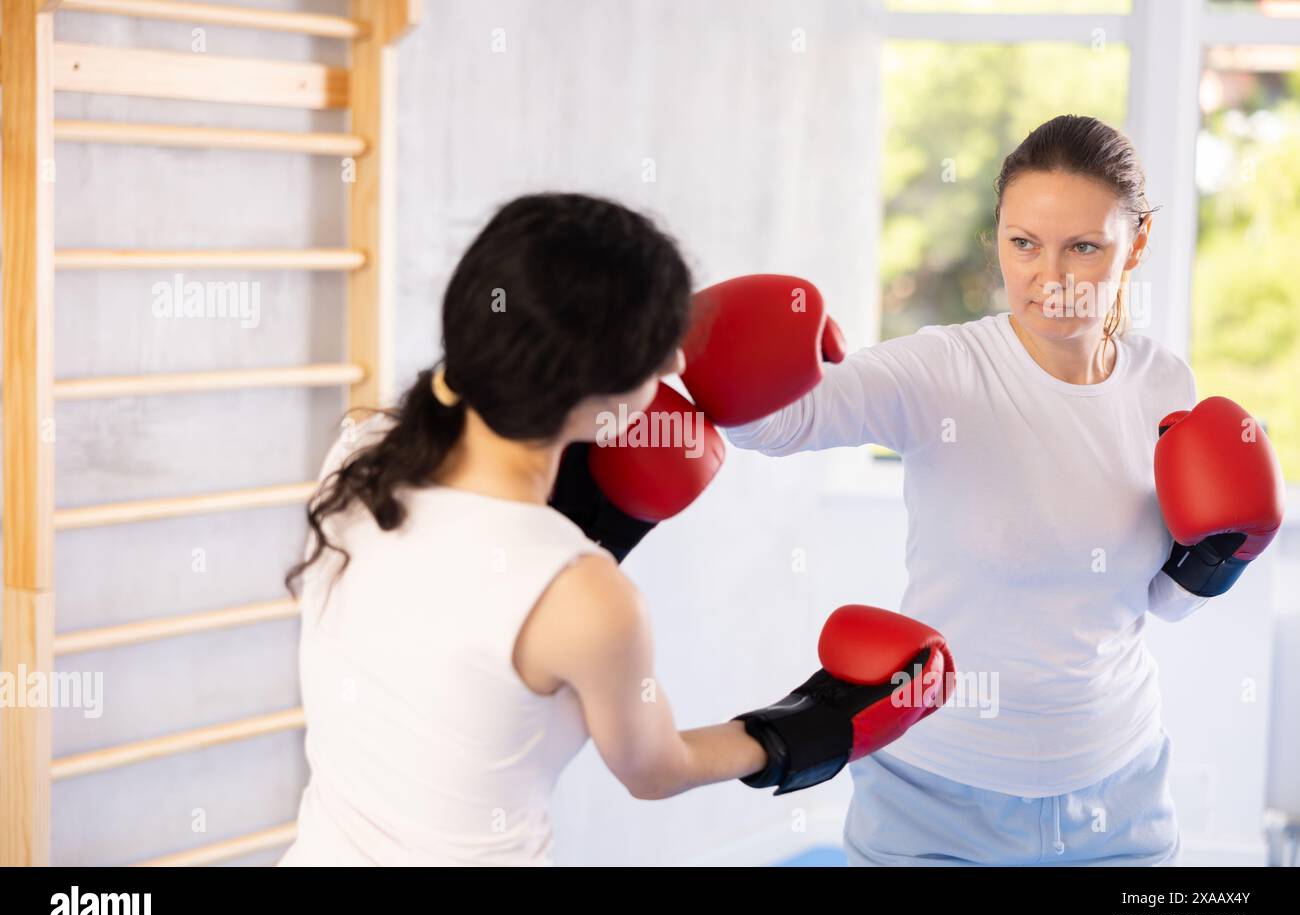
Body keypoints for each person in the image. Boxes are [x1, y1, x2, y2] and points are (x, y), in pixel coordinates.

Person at [276, 193, 949, 866]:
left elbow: (477, 587)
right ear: (603, 388)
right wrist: (824, 722)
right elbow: (655, 769)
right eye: (662, 349)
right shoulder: (585, 595)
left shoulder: (363, 453)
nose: (679, 368)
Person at [726, 114, 1228, 866]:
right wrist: (736, 359)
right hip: (937, 796)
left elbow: (1157, 603)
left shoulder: (1164, 382)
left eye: (1083, 247)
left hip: (1116, 796)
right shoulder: (945, 371)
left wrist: (1220, 558)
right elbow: (780, 425)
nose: (1048, 278)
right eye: (1023, 243)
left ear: (1138, 244)